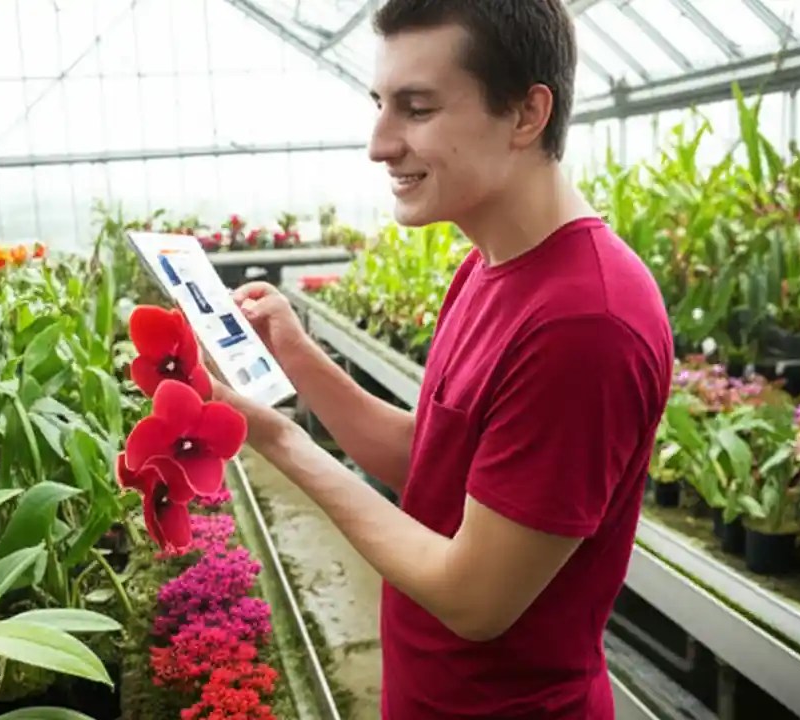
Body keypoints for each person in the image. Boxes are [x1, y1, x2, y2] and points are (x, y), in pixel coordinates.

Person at [207, 1, 674, 717]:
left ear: (526, 115)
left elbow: (474, 599)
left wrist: (281, 441)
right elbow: (435, 463)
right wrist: (299, 358)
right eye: (380, 105)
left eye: (416, 109)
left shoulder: (585, 323)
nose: (379, 144)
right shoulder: (488, 266)